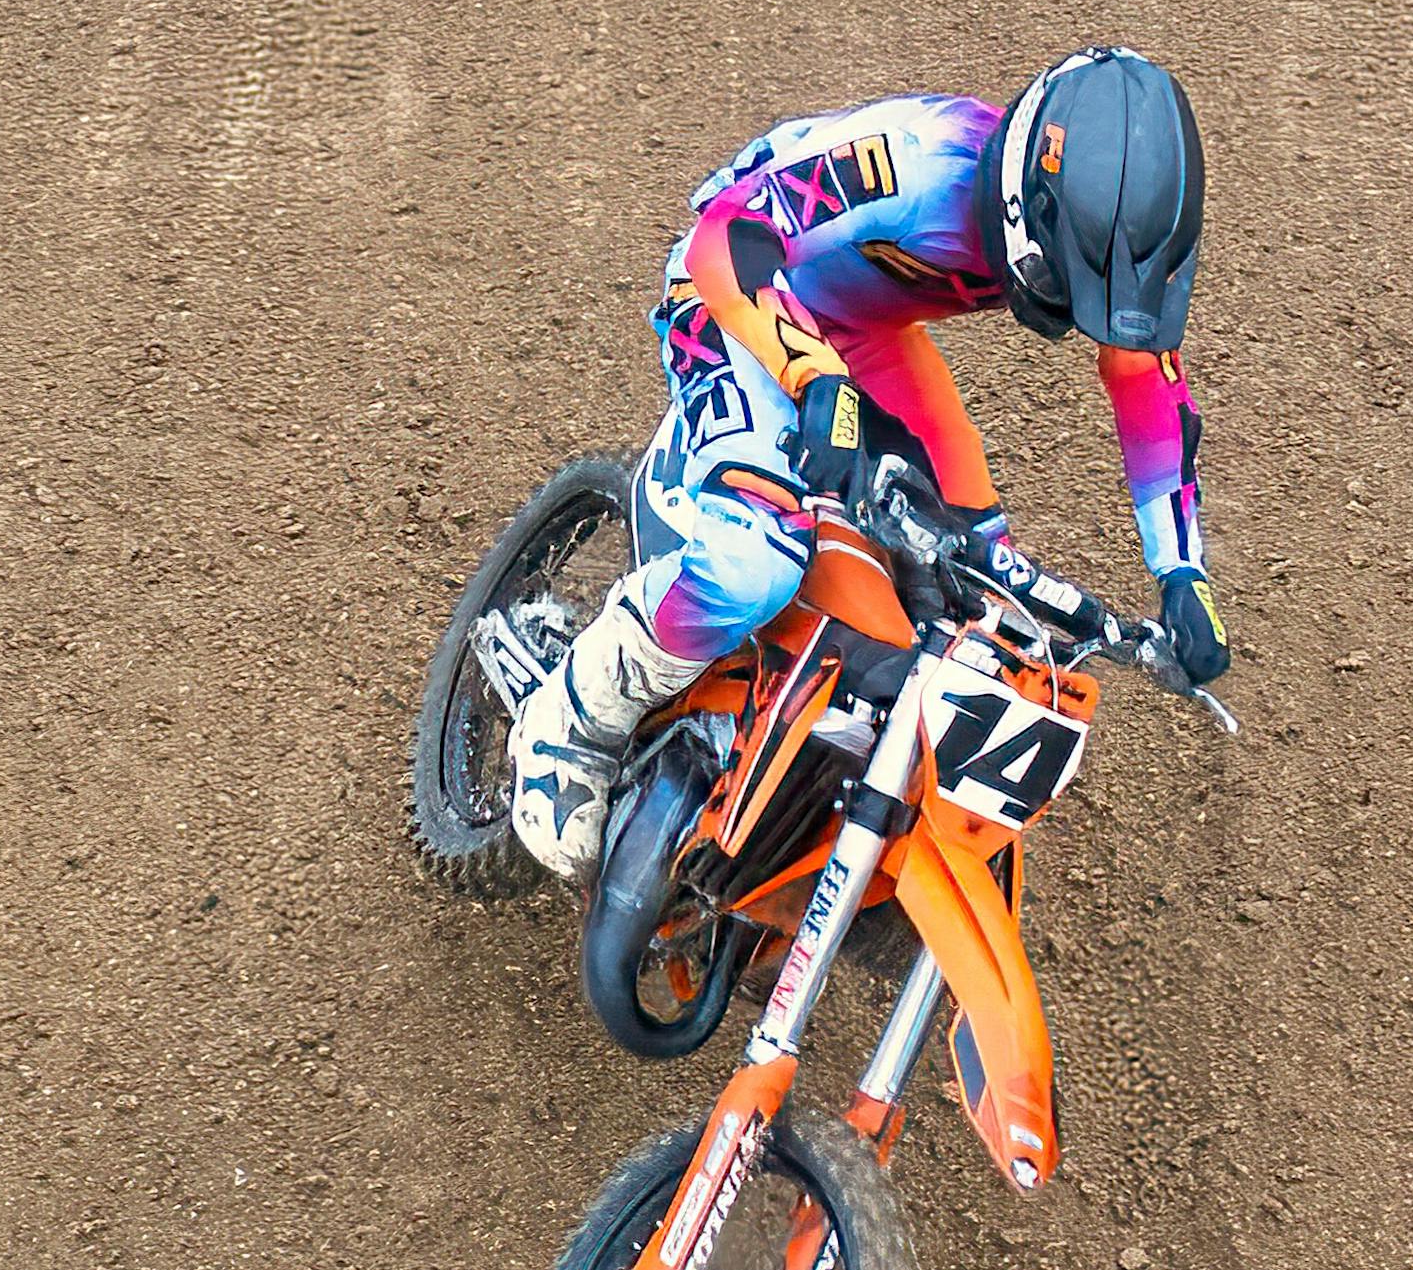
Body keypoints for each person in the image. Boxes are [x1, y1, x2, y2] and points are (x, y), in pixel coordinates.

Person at [490, 55, 1229, 878]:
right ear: (1031, 213)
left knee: (984, 596)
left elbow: (1144, 380)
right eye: (1072, 280)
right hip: (733, 294)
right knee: (753, 563)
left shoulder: (1073, 217)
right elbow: (723, 238)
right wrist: (812, 376)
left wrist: (1183, 575)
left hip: (861, 329)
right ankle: (575, 715)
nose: (1074, 311)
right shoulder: (917, 163)